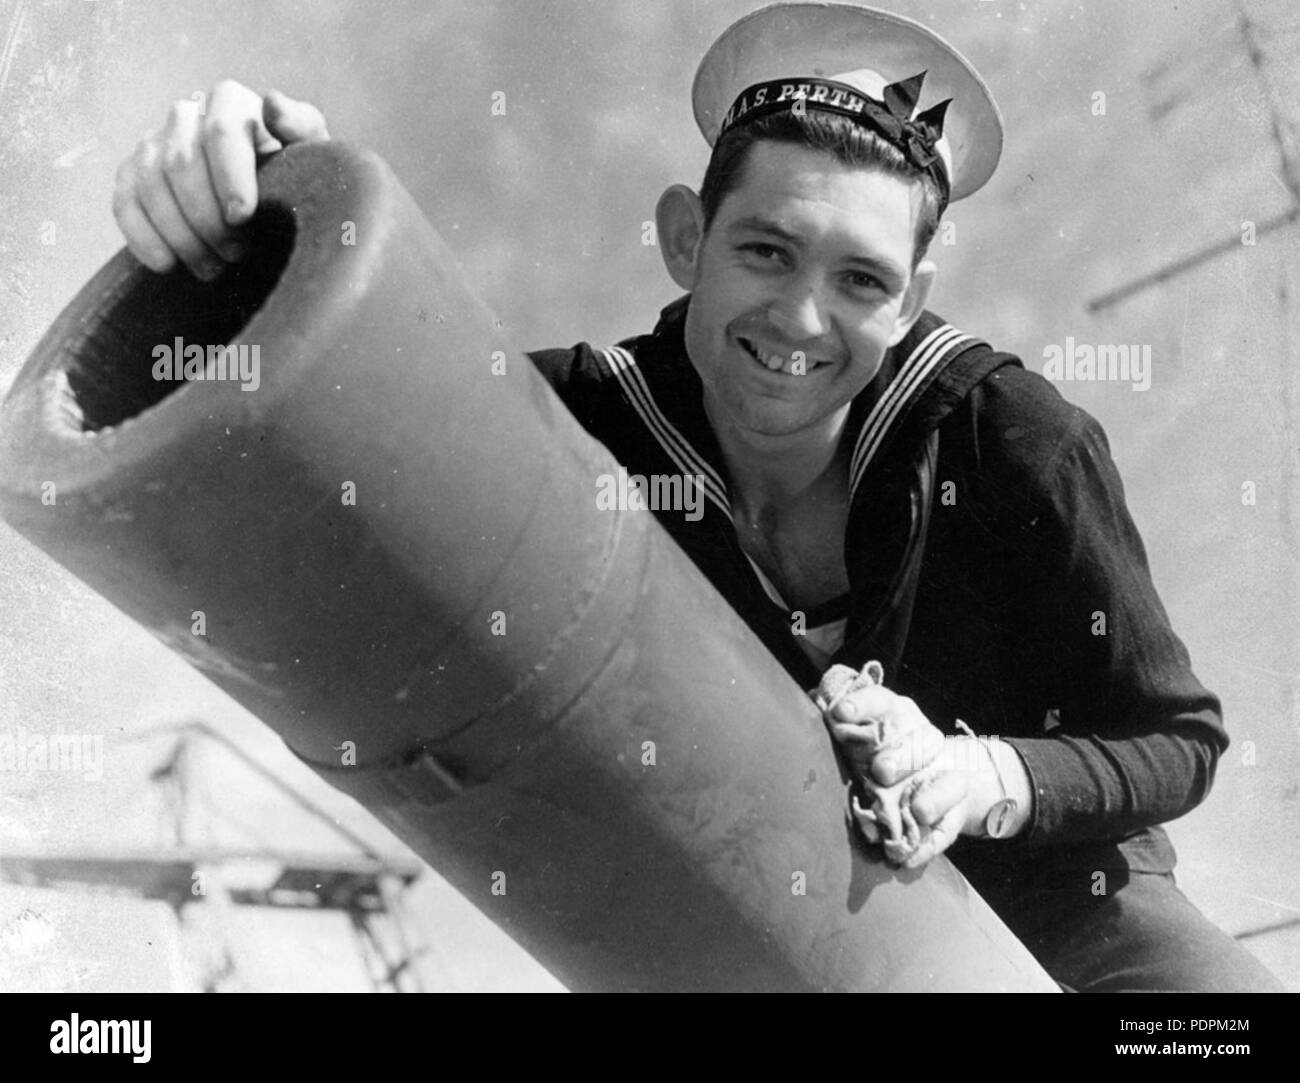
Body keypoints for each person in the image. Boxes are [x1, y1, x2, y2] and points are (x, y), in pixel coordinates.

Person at [109, 2, 1283, 992]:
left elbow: (1175, 738)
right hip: (774, 888)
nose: (802, 322)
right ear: (686, 238)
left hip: (1066, 891)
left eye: (862, 281)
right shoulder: (587, 415)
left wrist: (987, 778)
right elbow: (362, 408)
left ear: (915, 291)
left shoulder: (1015, 439)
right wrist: (255, 198)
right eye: (765, 251)